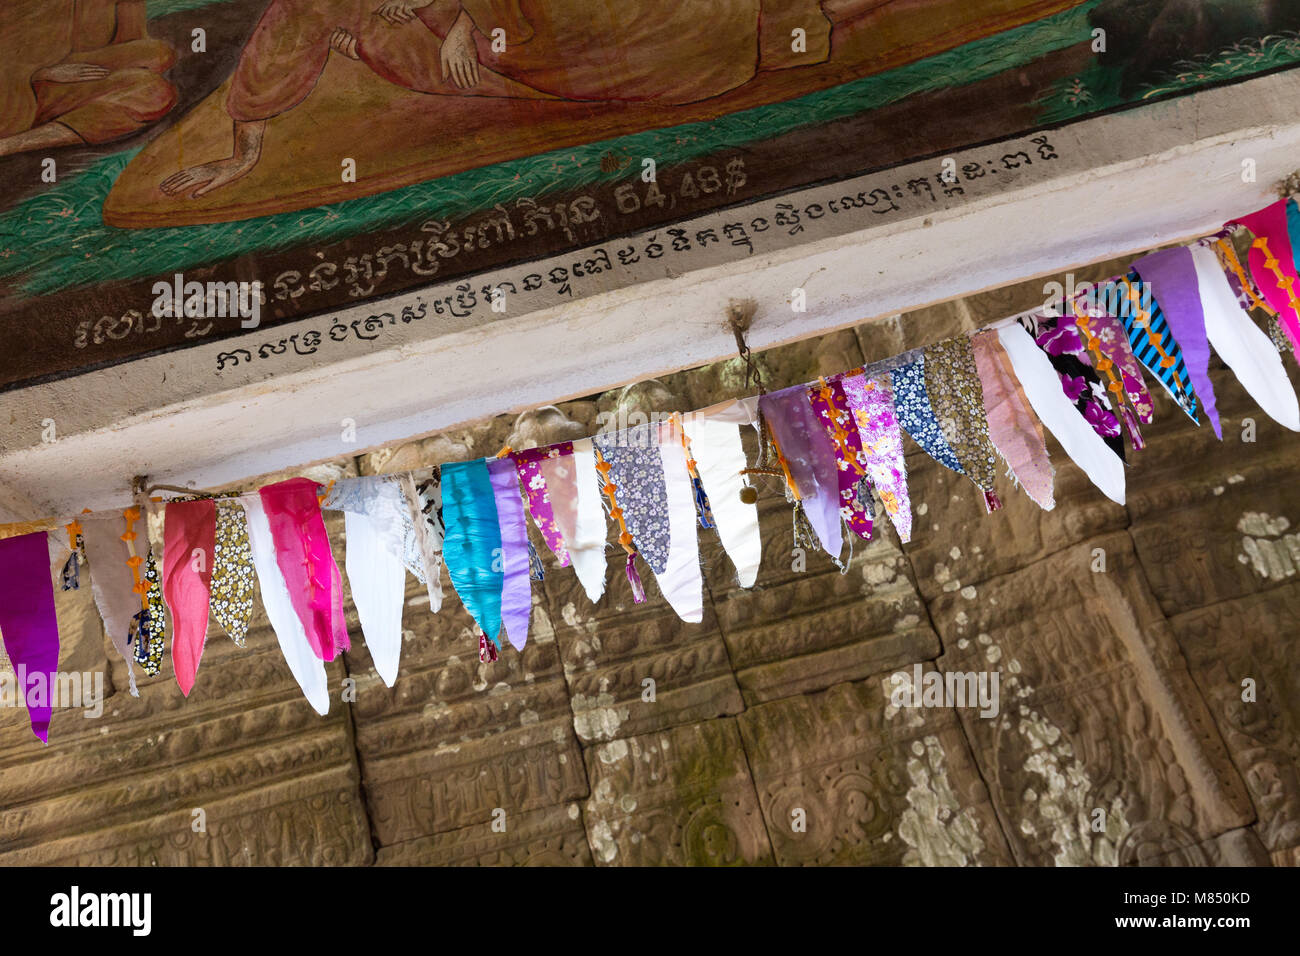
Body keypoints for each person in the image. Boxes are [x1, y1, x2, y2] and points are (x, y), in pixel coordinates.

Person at [160, 0, 833, 199]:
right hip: (475, 50)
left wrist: (455, 14)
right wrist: (243, 152)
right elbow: (285, 38)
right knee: (659, 45)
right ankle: (780, 25)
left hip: (493, 21)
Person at [0, 0, 177, 159]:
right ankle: (11, 143)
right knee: (153, 81)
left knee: (155, 83)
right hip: (16, 95)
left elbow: (133, 40)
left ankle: (12, 144)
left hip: (59, 82)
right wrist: (44, 73)